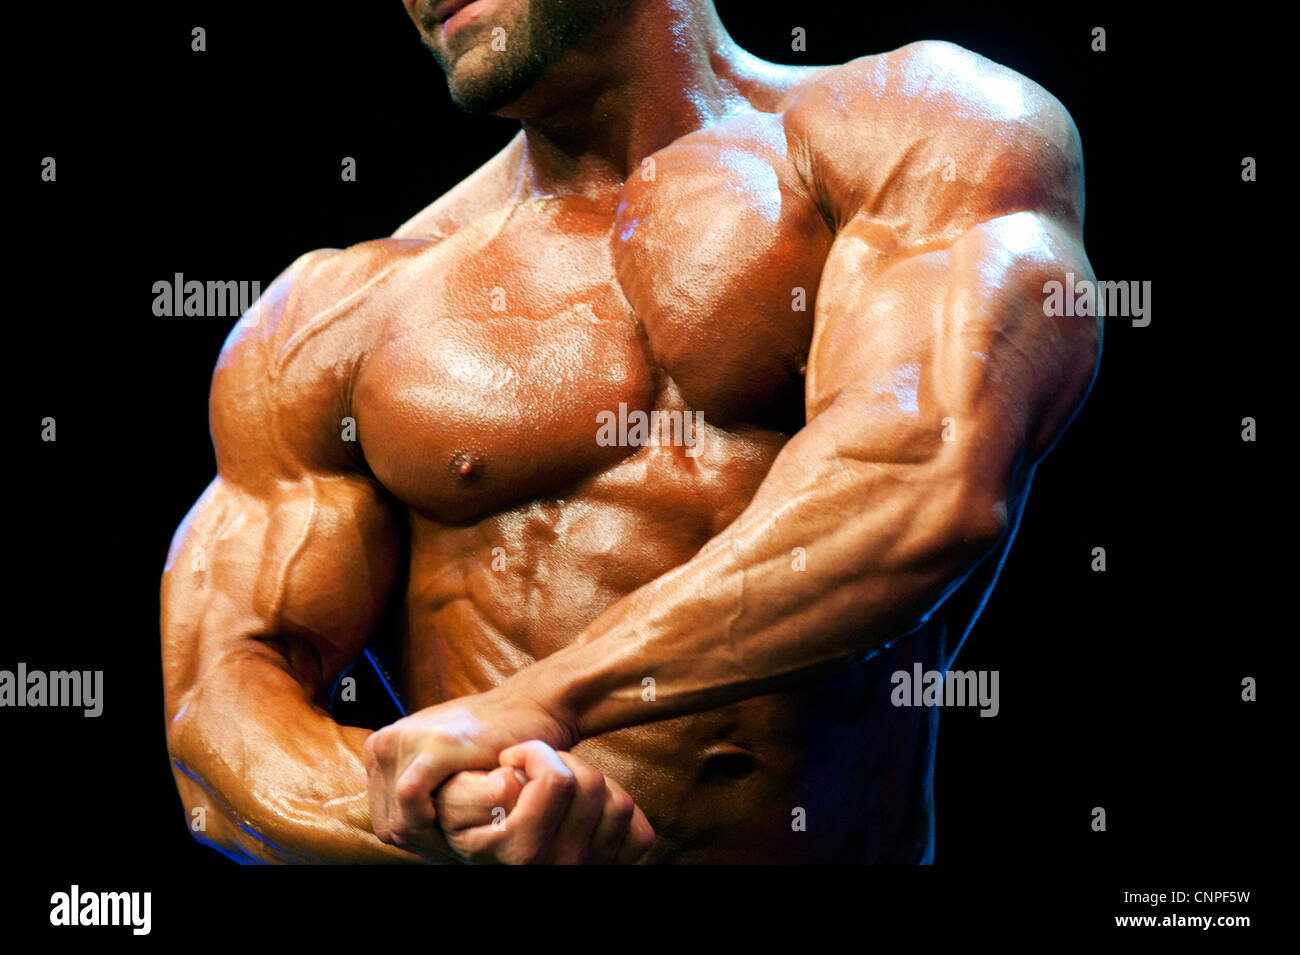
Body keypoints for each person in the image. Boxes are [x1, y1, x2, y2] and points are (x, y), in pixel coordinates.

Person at [161, 0, 1100, 864]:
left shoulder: (920, 129)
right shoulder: (335, 314)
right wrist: (434, 817)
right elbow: (220, 705)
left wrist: (546, 701)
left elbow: (922, 481)